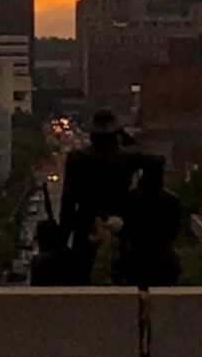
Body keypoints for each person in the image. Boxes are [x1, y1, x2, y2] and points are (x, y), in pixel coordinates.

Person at [59, 108, 152, 284]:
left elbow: (68, 200)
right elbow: (149, 158)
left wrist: (63, 238)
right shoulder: (128, 157)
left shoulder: (78, 158)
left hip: (86, 224)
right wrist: (123, 135)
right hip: (120, 223)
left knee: (82, 279)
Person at [121, 156, 181, 289]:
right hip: (163, 257)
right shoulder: (172, 200)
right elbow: (174, 230)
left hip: (137, 257)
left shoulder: (132, 197)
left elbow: (126, 229)